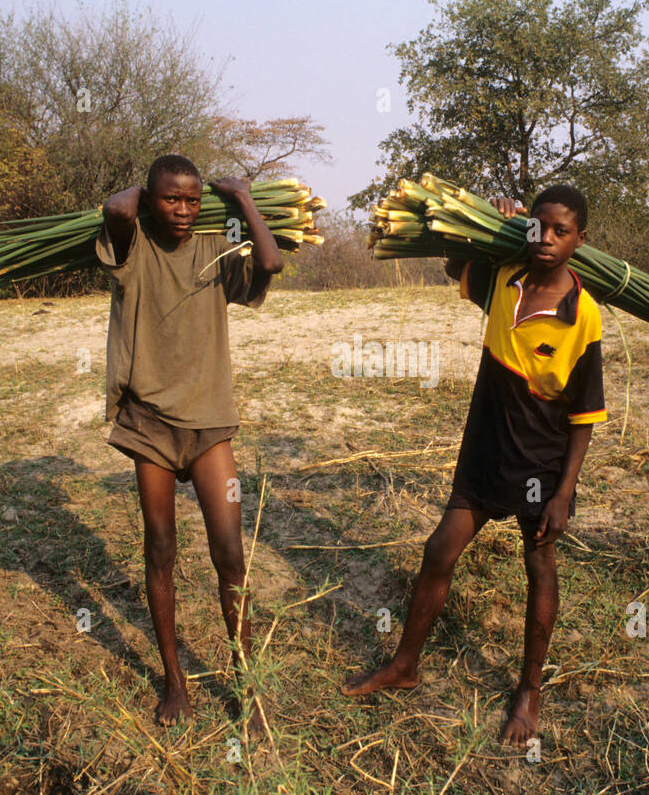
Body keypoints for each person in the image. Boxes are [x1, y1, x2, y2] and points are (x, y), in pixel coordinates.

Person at [341, 184, 606, 746]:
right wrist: (489, 231)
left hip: (540, 465)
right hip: (484, 453)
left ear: (582, 239)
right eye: (538, 227)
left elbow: (583, 416)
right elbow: (453, 267)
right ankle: (405, 665)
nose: (548, 239)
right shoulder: (505, 278)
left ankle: (528, 693)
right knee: (439, 551)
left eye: (562, 231)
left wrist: (562, 494)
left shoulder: (582, 316)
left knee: (538, 569)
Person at [96, 154, 282, 734]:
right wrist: (144, 191)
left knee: (229, 553)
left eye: (193, 200)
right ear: (152, 199)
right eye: (171, 198)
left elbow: (271, 261)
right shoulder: (133, 248)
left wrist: (243, 198)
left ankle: (246, 685)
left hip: (207, 422)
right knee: (160, 549)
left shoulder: (214, 248)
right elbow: (114, 209)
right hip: (149, 422)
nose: (182, 210)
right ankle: (175, 680)